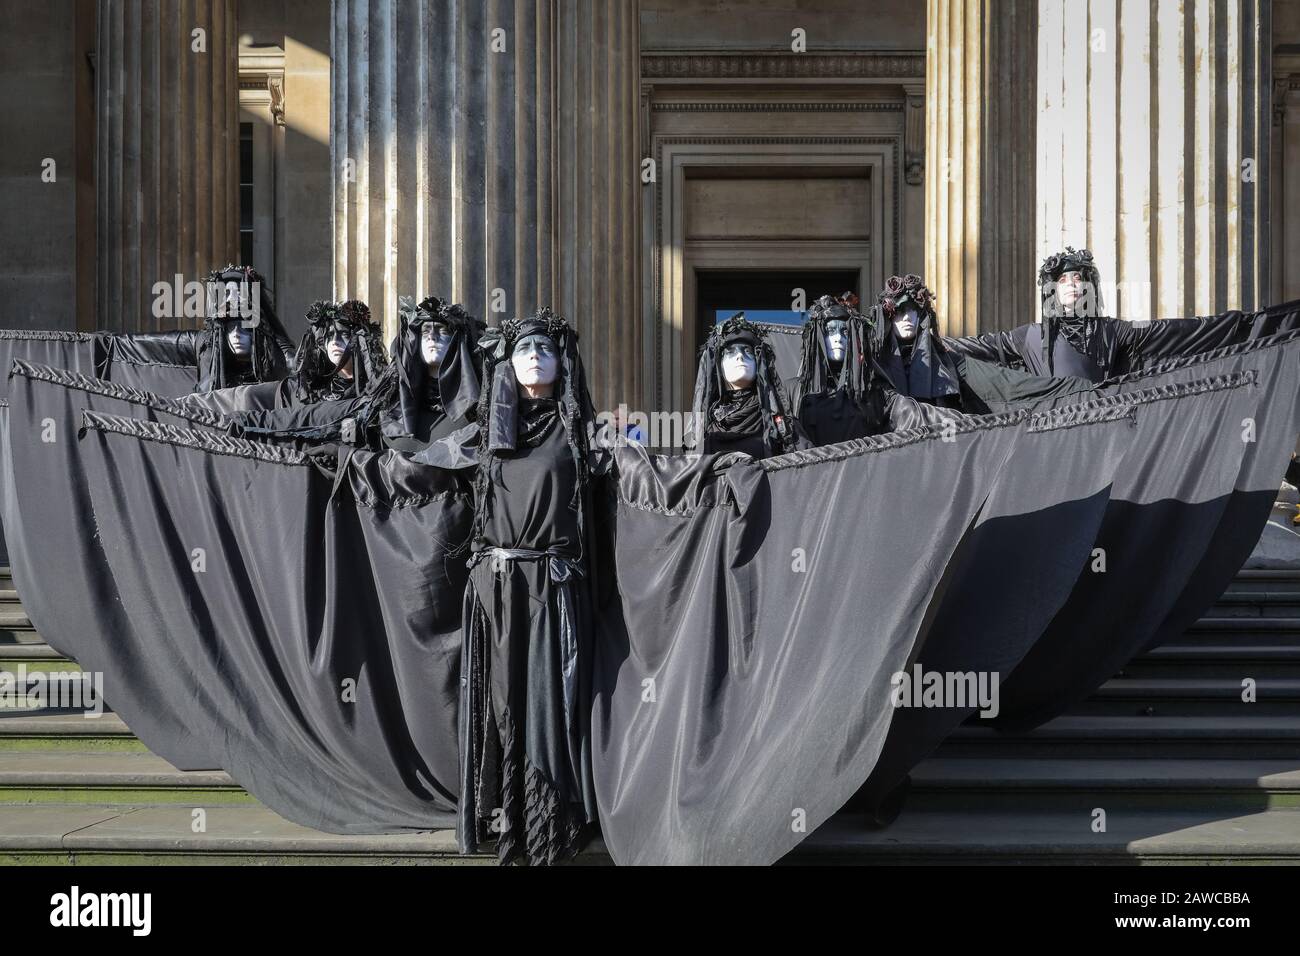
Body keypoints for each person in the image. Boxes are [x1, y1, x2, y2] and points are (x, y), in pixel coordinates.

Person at [458, 308, 602, 865]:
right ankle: (504, 820)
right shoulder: (484, 433)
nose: (534, 356)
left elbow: (633, 481)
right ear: (507, 364)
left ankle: (547, 825)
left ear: (561, 360)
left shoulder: (579, 433)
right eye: (523, 349)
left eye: (544, 347)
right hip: (494, 590)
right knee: (503, 707)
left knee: (545, 706)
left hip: (551, 589)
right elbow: (418, 470)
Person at [946, 246, 1300, 379]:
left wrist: (1252, 324)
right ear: (1052, 288)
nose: (1071, 285)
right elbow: (977, 348)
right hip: (1046, 442)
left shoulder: (1114, 333)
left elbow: (1187, 332)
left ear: (1089, 287)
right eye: (1063, 279)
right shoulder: (1030, 337)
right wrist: (922, 344)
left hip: (1101, 436)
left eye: (1078, 279)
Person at [379, 295, 484, 453]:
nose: (432, 338)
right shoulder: (392, 412)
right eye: (425, 332)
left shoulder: (475, 415)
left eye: (443, 331)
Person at [691, 312, 799, 458]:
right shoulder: (702, 424)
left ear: (758, 362)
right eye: (730, 352)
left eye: (747, 351)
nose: (740, 356)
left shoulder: (782, 421)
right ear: (718, 366)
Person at [790, 292, 884, 445]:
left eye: (844, 332)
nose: (838, 338)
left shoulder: (871, 389)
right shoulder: (794, 390)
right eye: (830, 331)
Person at [870, 274, 963, 410]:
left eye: (911, 310)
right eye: (900, 312)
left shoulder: (944, 353)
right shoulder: (876, 362)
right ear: (889, 316)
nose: (907, 318)